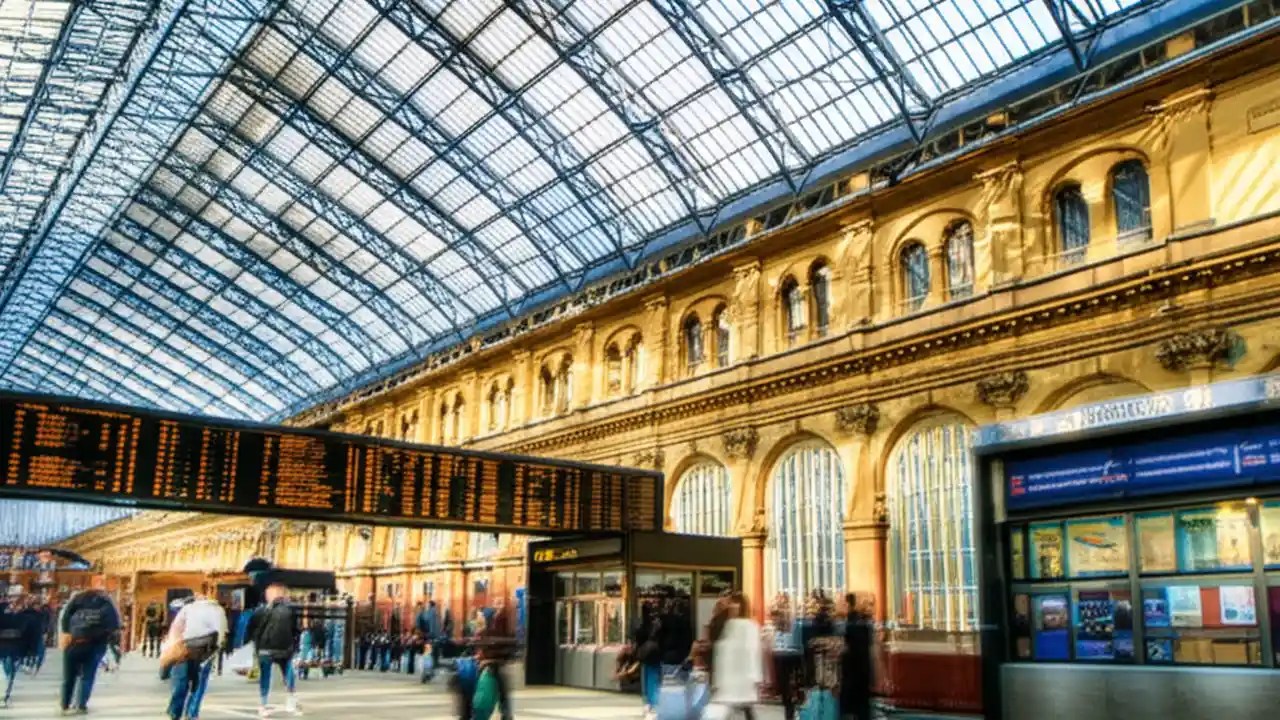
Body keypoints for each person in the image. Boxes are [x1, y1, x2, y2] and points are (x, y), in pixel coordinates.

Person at [58, 587, 122, 715]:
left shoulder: (76, 601)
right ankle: (81, 705)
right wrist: (113, 645)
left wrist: (68, 633)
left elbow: (65, 619)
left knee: (68, 677)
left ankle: (65, 704)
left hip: (73, 643)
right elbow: (113, 626)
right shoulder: (106, 604)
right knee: (87, 676)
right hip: (95, 645)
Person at [166, 593, 227, 720]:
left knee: (181, 682)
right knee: (199, 683)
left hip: (185, 647)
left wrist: (172, 646)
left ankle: (175, 712)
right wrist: (218, 647)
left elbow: (176, 628)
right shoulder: (218, 610)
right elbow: (221, 631)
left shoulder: (187, 608)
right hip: (206, 650)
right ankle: (192, 713)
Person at [247, 583, 300, 718]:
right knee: (288, 673)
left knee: (265, 676)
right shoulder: (289, 611)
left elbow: (251, 628)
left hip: (264, 648)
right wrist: (294, 645)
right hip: (285, 648)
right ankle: (291, 700)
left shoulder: (260, 611)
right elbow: (295, 630)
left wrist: (255, 643)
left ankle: (263, 704)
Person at [710, 592, 762, 719]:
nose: (731, 606)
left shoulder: (749, 626)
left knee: (741, 707)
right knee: (738, 707)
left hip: (741, 676)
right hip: (730, 676)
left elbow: (753, 651)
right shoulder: (727, 623)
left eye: (733, 603)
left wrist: (755, 676)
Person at [475, 599, 516, 720]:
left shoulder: (489, 631)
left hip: (493, 665)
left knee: (489, 692)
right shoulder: (495, 629)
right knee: (500, 692)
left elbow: (489, 649)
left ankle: (500, 713)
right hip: (497, 664)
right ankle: (505, 713)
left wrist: (486, 659)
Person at [1, 592, 39, 707]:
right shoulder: (28, 617)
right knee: (9, 672)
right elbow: (32, 636)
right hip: (15, 648)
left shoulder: (27, 617)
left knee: (7, 671)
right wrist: (31, 651)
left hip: (11, 647)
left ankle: (5, 694)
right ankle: (5, 695)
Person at [840, 594, 874, 720]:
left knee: (850, 708)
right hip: (863, 671)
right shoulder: (863, 623)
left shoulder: (848, 624)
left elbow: (846, 647)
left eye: (842, 604)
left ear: (848, 604)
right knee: (862, 708)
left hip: (851, 671)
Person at [631, 601, 662, 720]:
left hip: (645, 656)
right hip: (655, 655)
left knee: (646, 680)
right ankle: (654, 706)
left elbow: (637, 640)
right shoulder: (657, 624)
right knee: (654, 681)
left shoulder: (641, 625)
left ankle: (647, 704)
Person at [416, 601, 440, 681]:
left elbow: (420, 625)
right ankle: (429, 673)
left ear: (429, 605)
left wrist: (426, 636)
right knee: (430, 656)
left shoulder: (428, 613)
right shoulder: (436, 614)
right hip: (433, 638)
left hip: (428, 638)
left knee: (426, 656)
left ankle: (426, 674)